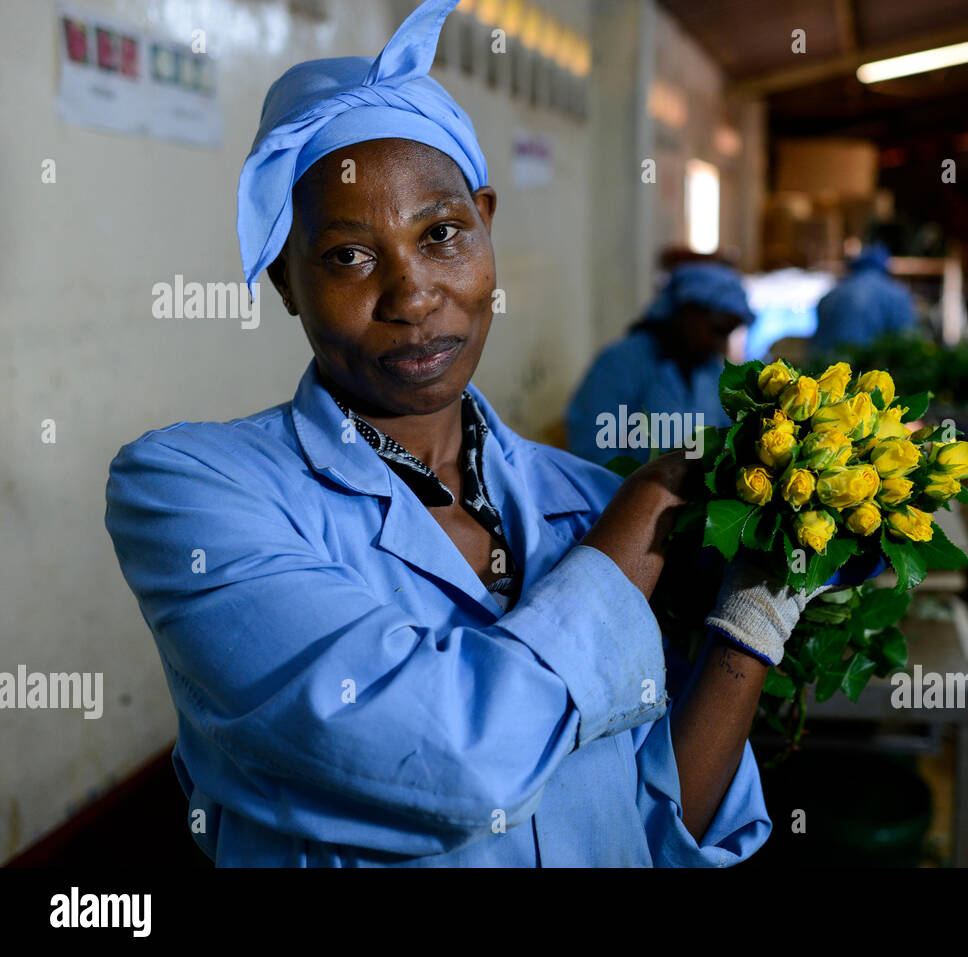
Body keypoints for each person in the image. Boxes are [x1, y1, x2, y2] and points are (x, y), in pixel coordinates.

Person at [103, 0, 818, 867]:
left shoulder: (584, 501)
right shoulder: (193, 493)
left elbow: (667, 827)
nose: (411, 295)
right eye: (346, 257)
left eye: (441, 234)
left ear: (485, 222)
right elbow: (457, 762)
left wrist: (754, 612)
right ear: (287, 281)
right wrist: (656, 502)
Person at [565, 260, 754, 464]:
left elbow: (727, 440)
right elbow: (591, 450)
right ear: (687, 312)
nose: (721, 345)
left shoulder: (712, 372)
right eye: (718, 330)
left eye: (729, 332)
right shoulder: (621, 363)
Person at [810, 241, 916, 354]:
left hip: (824, 367)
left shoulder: (831, 294)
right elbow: (906, 339)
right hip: (866, 366)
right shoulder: (895, 294)